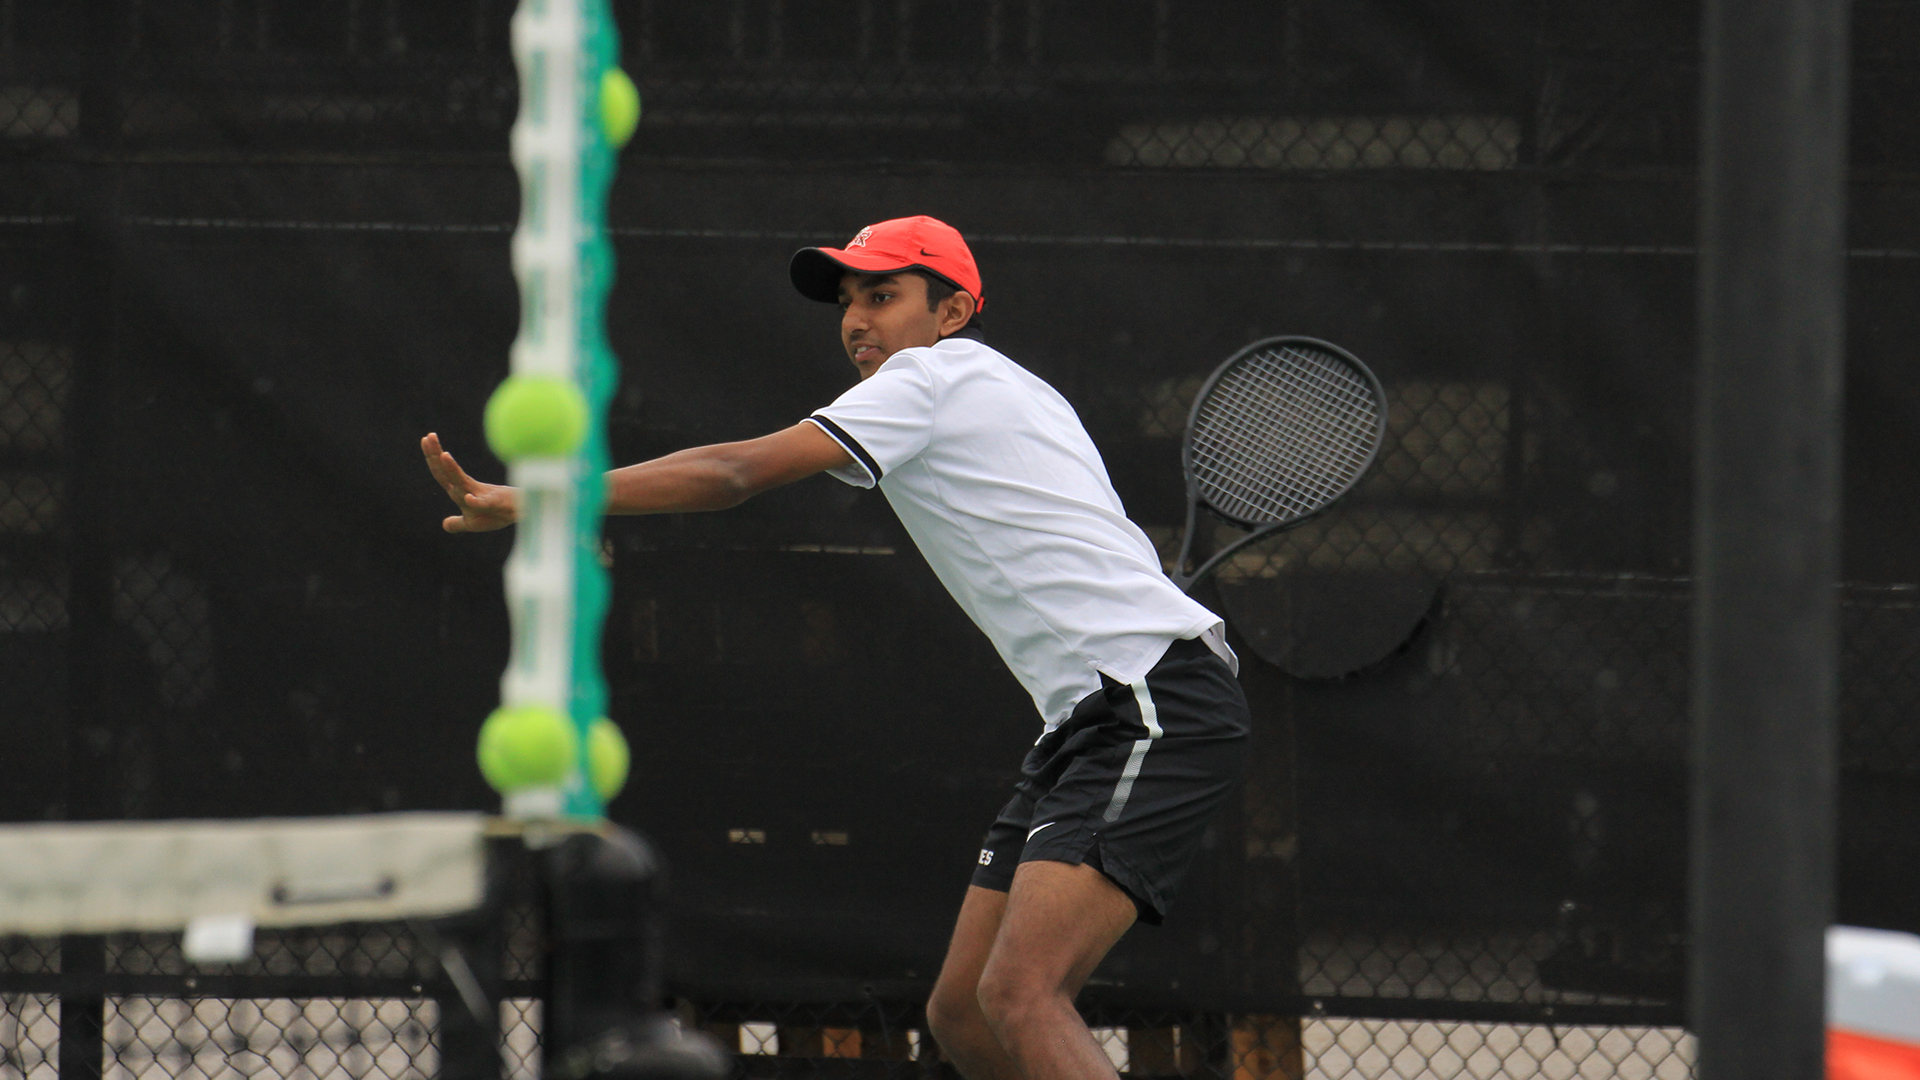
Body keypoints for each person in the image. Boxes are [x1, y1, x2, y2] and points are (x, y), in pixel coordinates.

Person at [421, 215, 1251, 1080]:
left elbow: (735, 473)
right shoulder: (1007, 388)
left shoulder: (931, 378)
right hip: (1091, 714)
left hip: (1150, 700)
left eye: (884, 295)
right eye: (848, 302)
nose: (857, 320)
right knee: (965, 1014)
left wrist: (545, 500)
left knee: (1021, 996)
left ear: (955, 309)